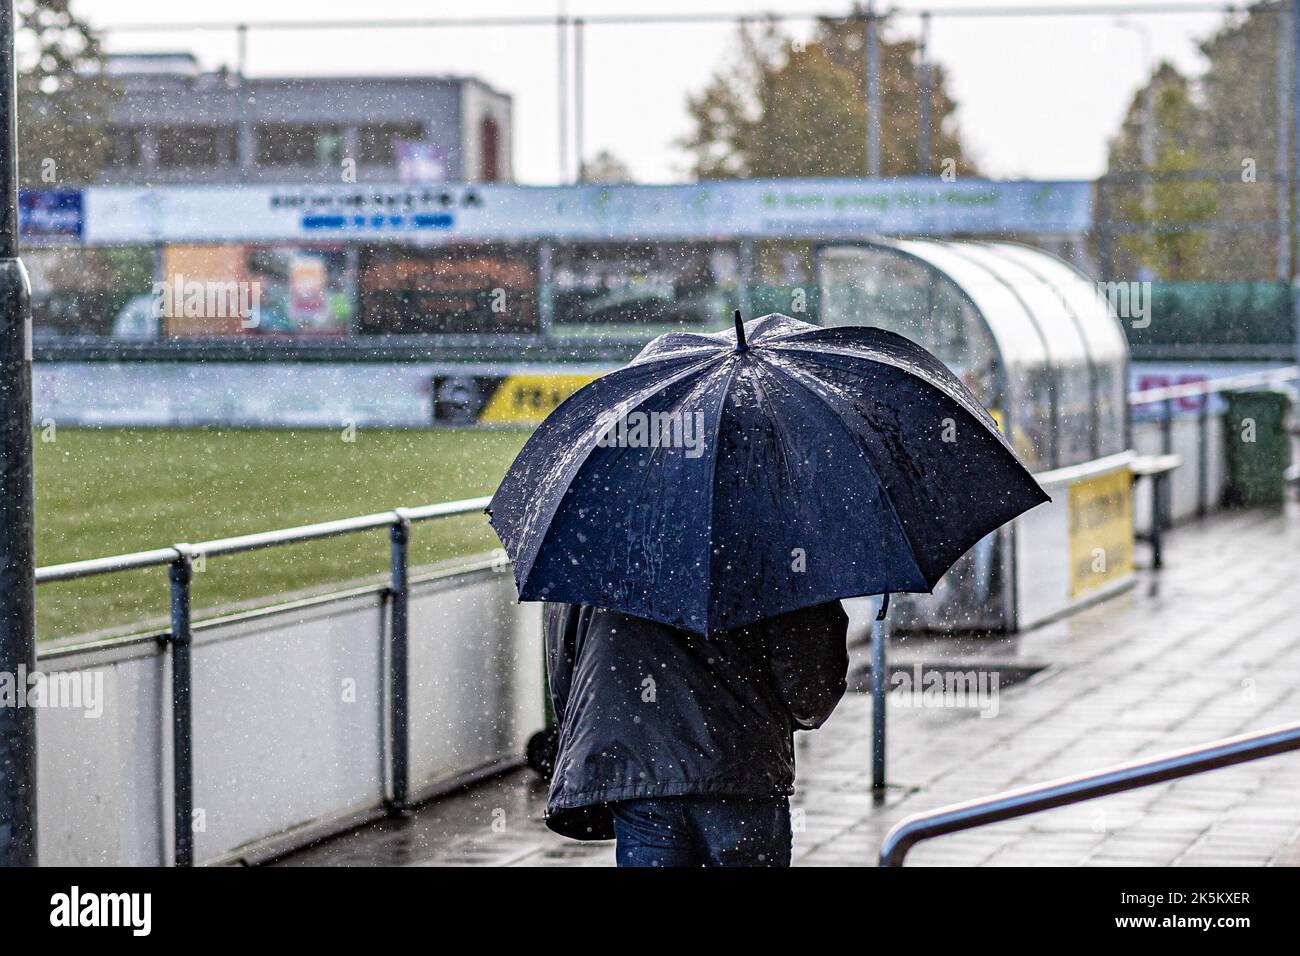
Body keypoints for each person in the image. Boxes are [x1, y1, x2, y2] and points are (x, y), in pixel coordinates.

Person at [541, 600, 849, 867]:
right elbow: (810, 683)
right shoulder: (770, 540)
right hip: (740, 766)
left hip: (641, 773)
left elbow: (565, 666)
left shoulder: (594, 544)